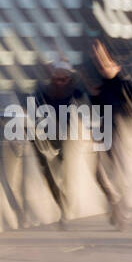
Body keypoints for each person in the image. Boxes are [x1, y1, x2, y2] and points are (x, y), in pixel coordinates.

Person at [89, 40, 132, 229]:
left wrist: (115, 74)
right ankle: (114, 199)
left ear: (117, 66)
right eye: (100, 64)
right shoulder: (100, 87)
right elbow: (96, 111)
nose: (102, 67)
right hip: (104, 130)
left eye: (106, 63)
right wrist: (94, 97)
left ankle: (123, 212)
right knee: (98, 171)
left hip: (122, 130)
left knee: (123, 173)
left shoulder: (124, 83)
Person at [29, 58, 85, 226]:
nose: (59, 82)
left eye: (63, 79)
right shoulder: (43, 90)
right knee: (49, 174)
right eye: (56, 78)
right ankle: (62, 206)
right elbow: (31, 107)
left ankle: (66, 202)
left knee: (65, 171)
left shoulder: (74, 91)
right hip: (46, 137)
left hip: (66, 136)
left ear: (69, 78)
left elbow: (87, 104)